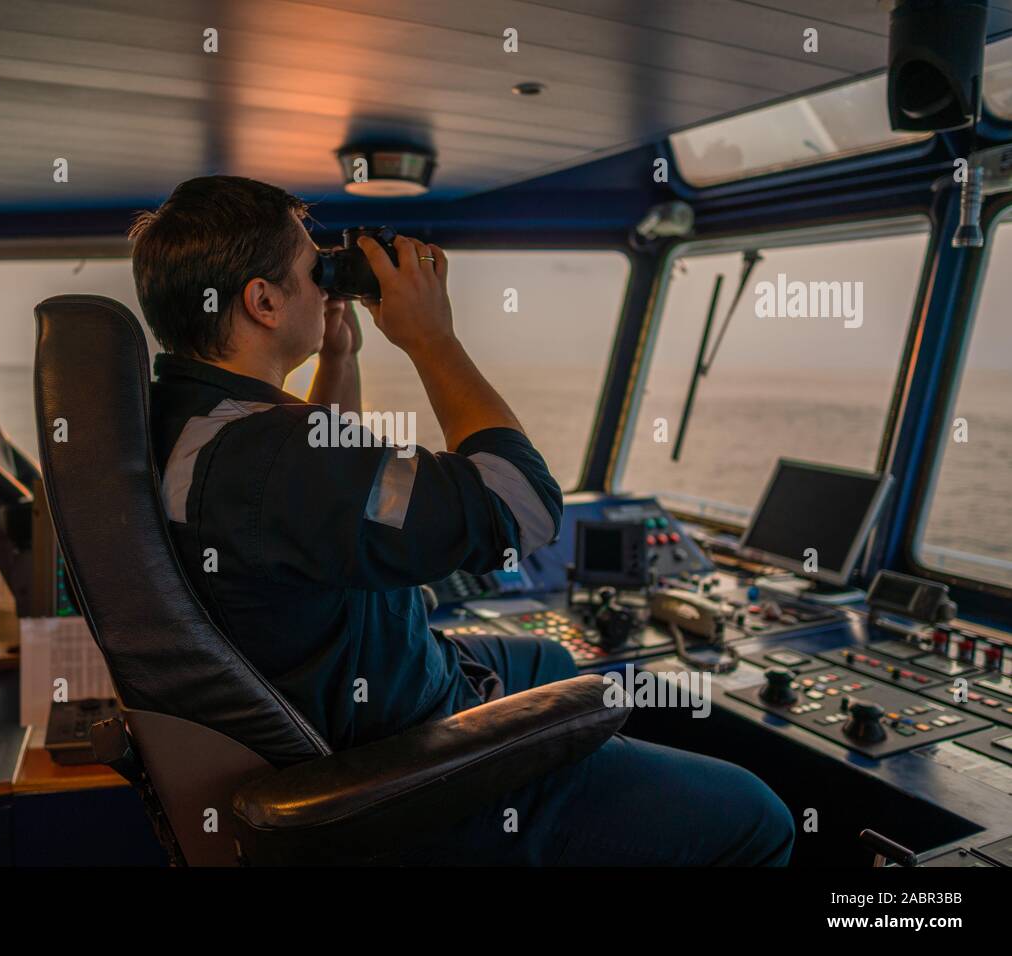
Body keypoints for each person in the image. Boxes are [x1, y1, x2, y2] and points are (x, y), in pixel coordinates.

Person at [129, 175, 795, 865]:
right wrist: (431, 339)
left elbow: (316, 496)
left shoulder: (188, 422)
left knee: (553, 659)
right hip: (407, 773)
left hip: (344, 697)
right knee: (759, 818)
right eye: (313, 270)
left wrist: (340, 354)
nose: (328, 286)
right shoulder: (268, 457)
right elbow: (521, 506)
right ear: (263, 301)